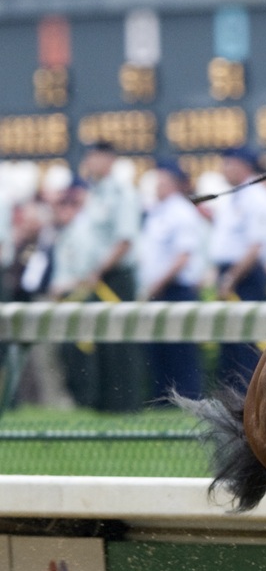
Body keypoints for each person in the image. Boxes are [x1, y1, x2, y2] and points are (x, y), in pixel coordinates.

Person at [67, 141, 144, 411]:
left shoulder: (123, 193)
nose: (90, 162)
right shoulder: (95, 192)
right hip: (98, 277)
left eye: (95, 157)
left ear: (110, 159)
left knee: (119, 341)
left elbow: (125, 240)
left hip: (116, 277)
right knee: (100, 339)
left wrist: (98, 270)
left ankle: (125, 403)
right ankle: (105, 403)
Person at [208, 145, 266, 388]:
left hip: (245, 276)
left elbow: (255, 246)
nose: (224, 168)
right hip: (230, 274)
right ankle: (230, 395)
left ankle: (248, 395)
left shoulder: (256, 197)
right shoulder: (233, 196)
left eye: (228, 163)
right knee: (229, 341)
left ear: (243, 166)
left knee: (246, 343)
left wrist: (231, 277)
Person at [137, 159, 207, 401]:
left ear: (174, 184)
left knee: (181, 350)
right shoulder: (158, 211)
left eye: (162, 181)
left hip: (176, 289)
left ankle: (187, 398)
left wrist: (157, 284)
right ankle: (163, 400)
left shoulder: (181, 211)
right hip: (160, 290)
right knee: (161, 349)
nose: (157, 186)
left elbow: (183, 256)